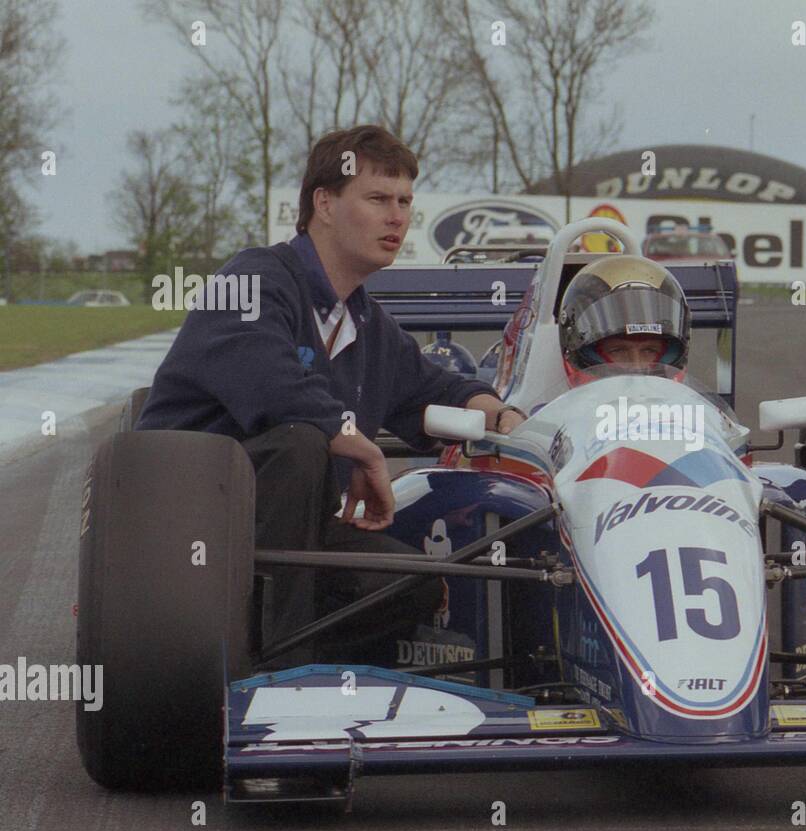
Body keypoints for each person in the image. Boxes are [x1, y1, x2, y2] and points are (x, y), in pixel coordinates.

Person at [136, 125, 525, 665]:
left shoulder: (368, 323)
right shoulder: (250, 280)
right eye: (377, 199)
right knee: (299, 442)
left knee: (416, 582)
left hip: (299, 538)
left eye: (405, 201)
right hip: (187, 535)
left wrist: (499, 413)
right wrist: (358, 443)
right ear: (324, 202)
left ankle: (295, 665)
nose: (397, 217)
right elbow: (271, 385)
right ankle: (275, 673)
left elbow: (437, 388)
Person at [557, 255, 691, 384]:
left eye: (649, 350)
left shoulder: (694, 406)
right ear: (588, 355)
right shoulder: (558, 408)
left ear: (669, 355)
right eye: (618, 350)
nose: (636, 367)